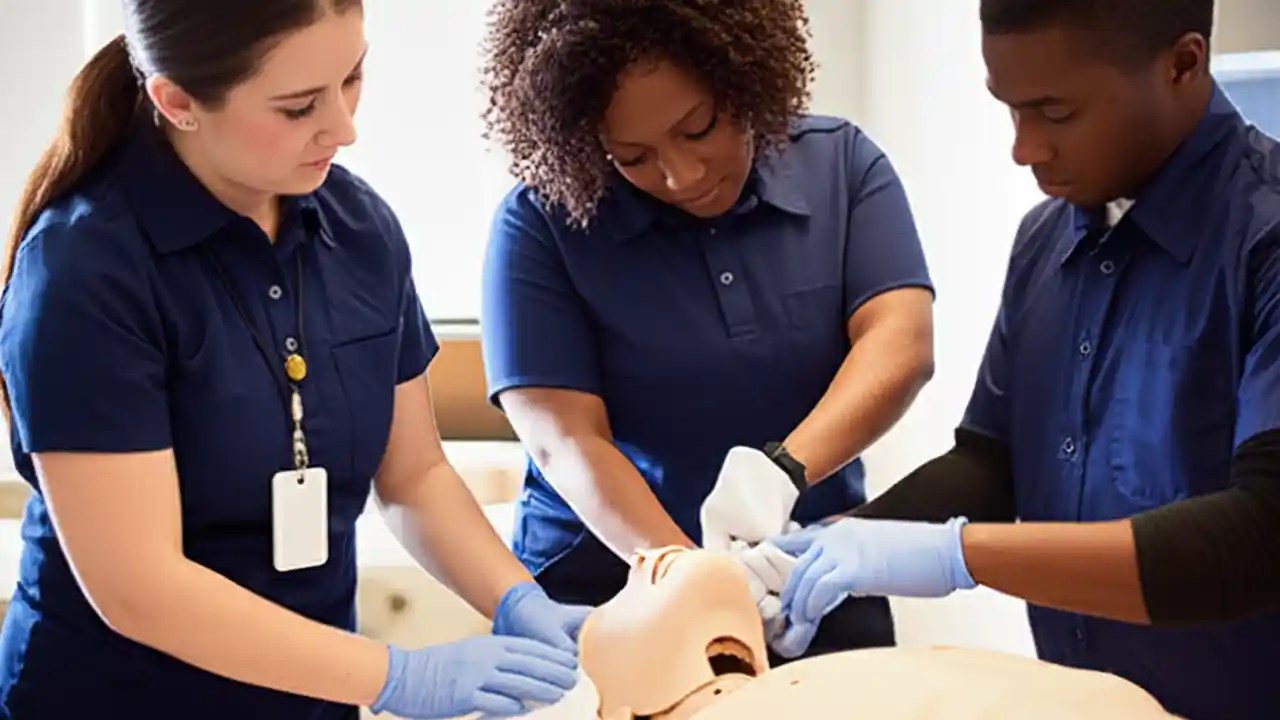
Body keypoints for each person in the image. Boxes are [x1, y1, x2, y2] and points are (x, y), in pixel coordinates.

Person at [0, 2, 588, 718]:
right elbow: (138, 586)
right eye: (299, 106)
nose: (344, 126)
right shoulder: (83, 273)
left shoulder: (359, 228)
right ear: (177, 101)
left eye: (353, 77)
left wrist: (518, 598)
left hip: (316, 694)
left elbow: (415, 476)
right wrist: (397, 676)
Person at [771, 1, 1280, 718]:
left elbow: (1261, 536)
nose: (1024, 147)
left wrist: (954, 557)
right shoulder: (1045, 244)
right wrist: (834, 545)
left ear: (1183, 64)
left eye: (1056, 113)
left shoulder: (1265, 241)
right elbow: (993, 462)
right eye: (1010, 109)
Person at [477, 0, 935, 661]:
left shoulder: (843, 167)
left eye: (700, 128)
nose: (681, 176)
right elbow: (564, 438)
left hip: (805, 570)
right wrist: (686, 576)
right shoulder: (541, 223)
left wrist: (781, 473)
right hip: (607, 581)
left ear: (744, 78)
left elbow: (900, 344)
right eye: (632, 156)